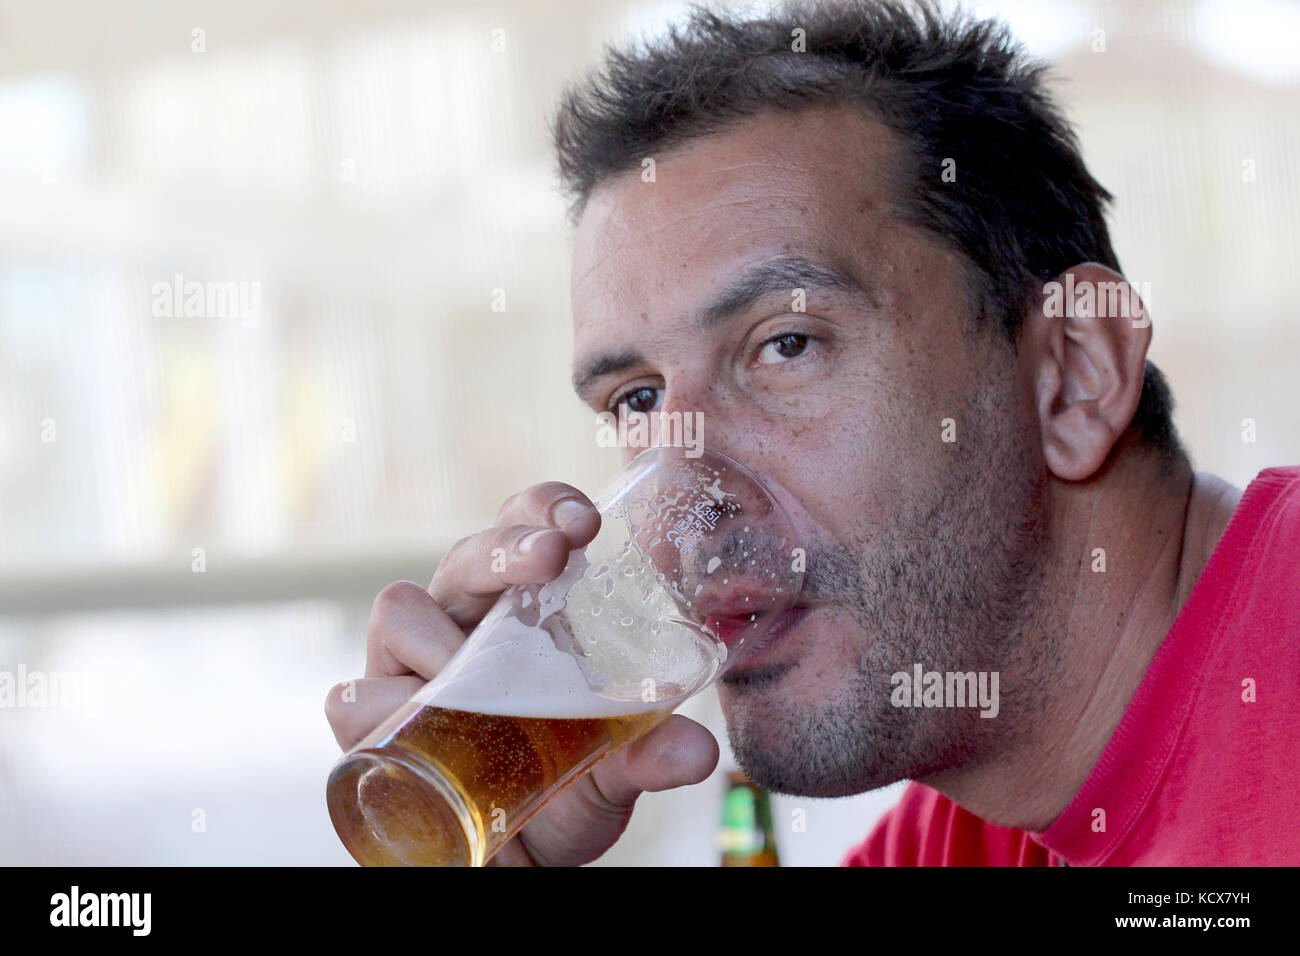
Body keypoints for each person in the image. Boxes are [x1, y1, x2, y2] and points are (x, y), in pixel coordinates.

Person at [324, 0, 1300, 866]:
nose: (674, 518)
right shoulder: (966, 825)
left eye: (784, 345)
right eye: (634, 400)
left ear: (1075, 375)